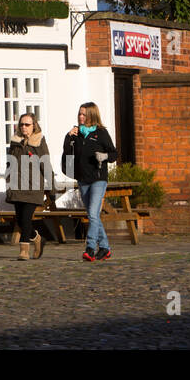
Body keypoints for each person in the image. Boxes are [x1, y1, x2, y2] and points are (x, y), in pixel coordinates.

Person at [62, 102, 118, 262]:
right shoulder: (76, 134)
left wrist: (105, 156)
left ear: (91, 115)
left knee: (93, 214)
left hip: (98, 179)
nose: (80, 117)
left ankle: (90, 247)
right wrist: (68, 136)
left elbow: (114, 154)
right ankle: (105, 248)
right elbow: (67, 153)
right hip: (83, 179)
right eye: (79, 114)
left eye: (84, 114)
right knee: (92, 215)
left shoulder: (101, 133)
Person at [6, 112, 53, 260]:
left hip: (33, 186)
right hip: (17, 186)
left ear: (34, 126)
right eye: (21, 124)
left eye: (27, 124)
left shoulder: (39, 142)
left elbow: (46, 164)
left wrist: (51, 188)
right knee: (20, 220)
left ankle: (24, 250)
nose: (24, 127)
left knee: (26, 218)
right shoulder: (15, 142)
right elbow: (10, 162)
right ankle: (38, 238)